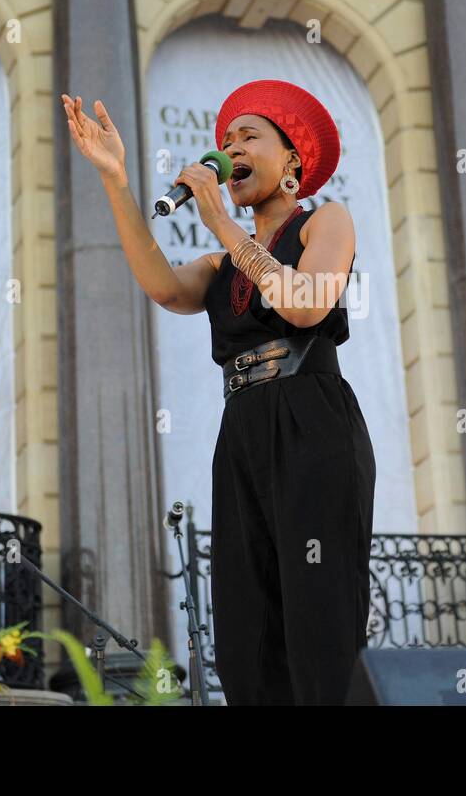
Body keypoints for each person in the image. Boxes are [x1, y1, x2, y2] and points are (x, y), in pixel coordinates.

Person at [60, 79, 375, 705]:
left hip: (310, 418)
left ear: (291, 162)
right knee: (244, 628)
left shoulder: (324, 221)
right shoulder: (219, 263)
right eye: (224, 141)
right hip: (244, 429)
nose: (230, 149)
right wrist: (116, 180)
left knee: (319, 619)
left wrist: (225, 225)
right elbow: (160, 283)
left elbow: (306, 304)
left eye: (248, 137)